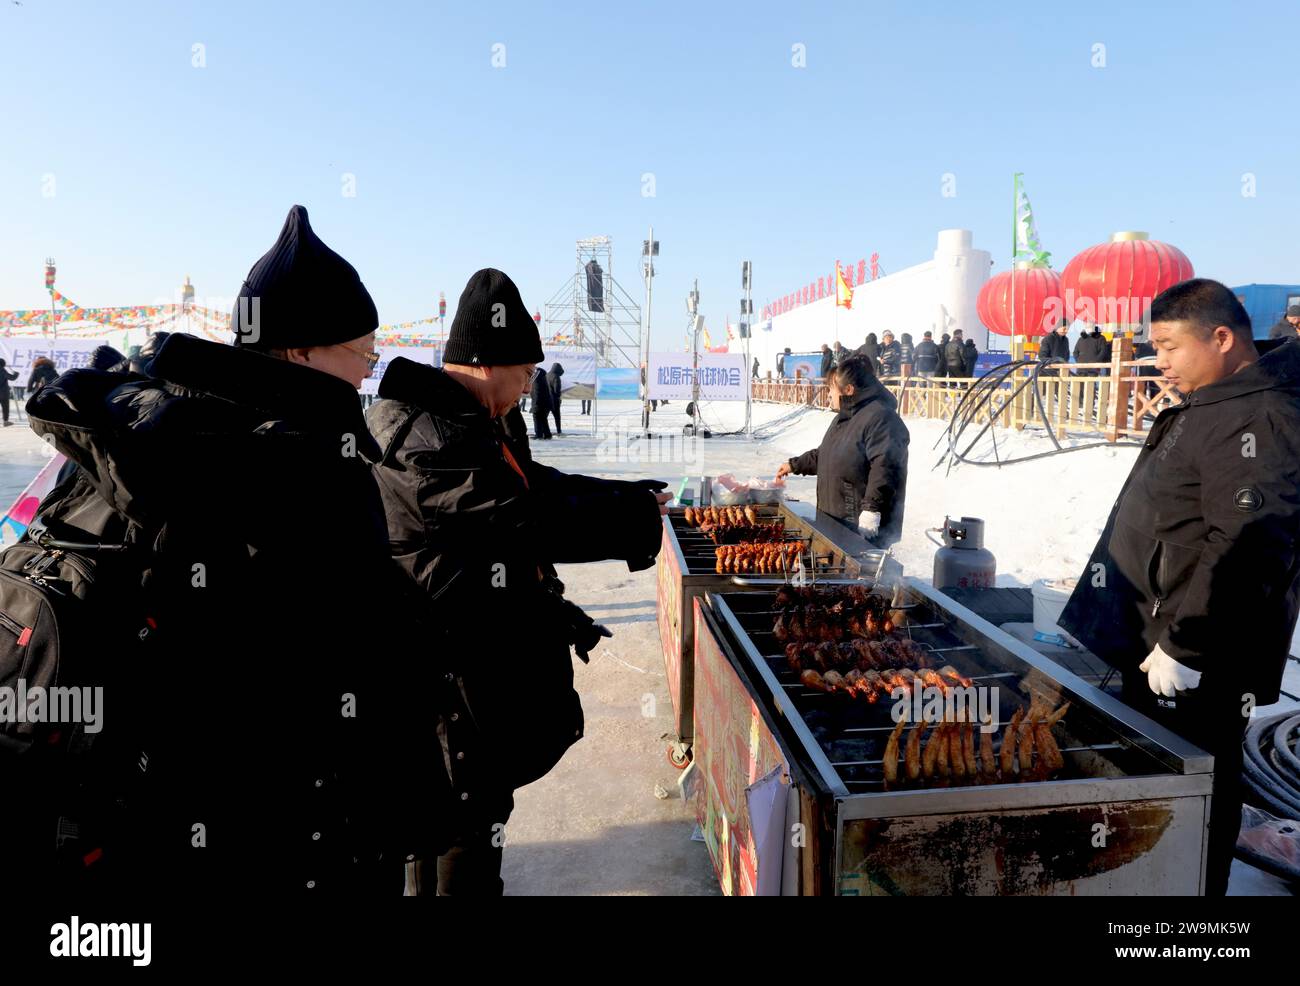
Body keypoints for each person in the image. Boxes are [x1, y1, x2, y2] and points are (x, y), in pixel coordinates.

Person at [20, 204, 437, 895]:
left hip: (132, 814)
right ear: (302, 351)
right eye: (361, 351)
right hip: (273, 833)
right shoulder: (307, 464)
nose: (368, 372)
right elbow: (353, 675)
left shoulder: (135, 433)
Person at [365, 267, 669, 895]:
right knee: (460, 830)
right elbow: (524, 516)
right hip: (448, 676)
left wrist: (626, 496)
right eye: (525, 372)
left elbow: (534, 486)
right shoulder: (432, 437)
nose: (530, 385)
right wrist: (630, 519)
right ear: (483, 363)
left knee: (464, 822)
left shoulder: (473, 421)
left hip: (475, 668)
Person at [1059, 278, 1300, 897]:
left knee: (1198, 789)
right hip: (1158, 632)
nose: (1157, 361)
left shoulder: (1262, 415)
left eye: (1168, 346)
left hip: (1198, 655)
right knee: (1158, 780)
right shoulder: (1214, 397)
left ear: (1222, 338)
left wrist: (1187, 646)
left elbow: (1250, 545)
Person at [776, 355, 909, 546]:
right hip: (836, 519)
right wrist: (794, 464)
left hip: (861, 524)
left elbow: (885, 465)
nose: (828, 395)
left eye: (831, 389)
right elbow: (828, 453)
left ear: (848, 390)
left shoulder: (881, 418)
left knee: (862, 572)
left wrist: (872, 509)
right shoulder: (846, 417)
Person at [530, 364, 553, 439]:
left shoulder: (537, 380)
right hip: (546, 403)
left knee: (537, 417)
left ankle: (539, 434)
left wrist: (535, 406)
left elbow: (537, 393)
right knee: (543, 418)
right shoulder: (542, 378)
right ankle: (547, 434)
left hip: (539, 403)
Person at [546, 362, 564, 435]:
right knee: (557, 417)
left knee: (544, 417)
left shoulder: (547, 375)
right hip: (554, 400)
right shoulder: (556, 377)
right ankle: (559, 430)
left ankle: (543, 430)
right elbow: (557, 390)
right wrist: (559, 397)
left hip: (547, 399)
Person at [0, 359, 17, 426]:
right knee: (5, 407)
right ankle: (5, 421)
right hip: (3, 393)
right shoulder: (2, 370)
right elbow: (12, 378)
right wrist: (16, 374)